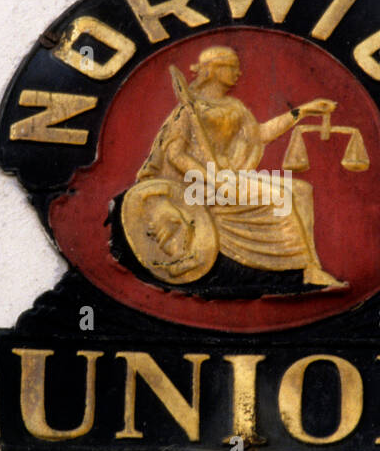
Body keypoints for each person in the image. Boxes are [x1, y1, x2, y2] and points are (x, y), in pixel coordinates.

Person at [134, 45, 344, 287]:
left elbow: (260, 134)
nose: (238, 72)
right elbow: (175, 155)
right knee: (278, 197)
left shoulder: (235, 107)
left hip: (227, 177)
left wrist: (303, 112)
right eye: (232, 67)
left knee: (301, 191)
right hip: (197, 184)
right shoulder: (188, 109)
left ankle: (310, 268)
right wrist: (211, 178)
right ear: (212, 70)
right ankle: (292, 272)